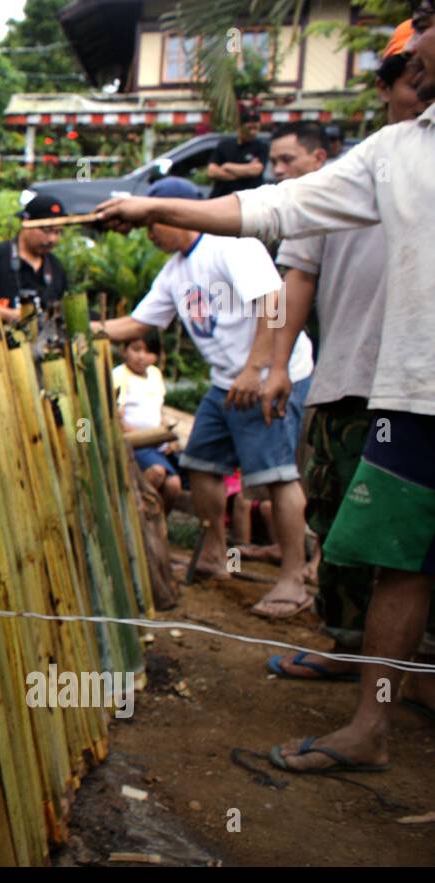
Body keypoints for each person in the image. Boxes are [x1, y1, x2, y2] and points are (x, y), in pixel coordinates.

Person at [94, 3, 435, 773]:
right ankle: (371, 711)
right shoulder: (391, 155)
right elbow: (276, 224)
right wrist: (155, 202)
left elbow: (272, 282)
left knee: (290, 484)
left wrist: (266, 364)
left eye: (420, 40)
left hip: (305, 375)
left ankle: (296, 583)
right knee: (395, 555)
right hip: (400, 388)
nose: (408, 63)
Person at [263, 34, 435, 682]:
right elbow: (294, 282)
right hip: (348, 377)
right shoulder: (343, 179)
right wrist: (278, 365)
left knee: (410, 538)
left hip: (420, 383)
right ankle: (348, 650)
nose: (412, 76)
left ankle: (408, 674)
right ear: (384, 87)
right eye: (398, 70)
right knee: (339, 518)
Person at [92, 176, 314, 619]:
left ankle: (294, 578)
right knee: (202, 466)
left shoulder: (231, 243)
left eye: (154, 220)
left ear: (176, 212)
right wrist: (82, 330)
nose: (150, 231)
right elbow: (138, 324)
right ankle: (214, 553)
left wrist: (257, 370)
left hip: (270, 372)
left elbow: (273, 301)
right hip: (225, 380)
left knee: (277, 476)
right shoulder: (175, 270)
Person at [0, 193, 67, 324]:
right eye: (46, 230)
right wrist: (7, 314)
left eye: (58, 232)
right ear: (26, 222)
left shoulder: (56, 268)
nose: (52, 239)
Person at [113, 329, 182, 511]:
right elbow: (116, 420)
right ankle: (135, 514)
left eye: (148, 351)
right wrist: (150, 437)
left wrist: (166, 436)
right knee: (157, 472)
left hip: (156, 445)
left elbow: (160, 413)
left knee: (174, 484)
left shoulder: (155, 374)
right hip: (134, 444)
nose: (141, 356)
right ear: (124, 350)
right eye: (136, 349)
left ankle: (158, 525)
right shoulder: (119, 375)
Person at [206, 109, 269, 198]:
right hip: (222, 197)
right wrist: (245, 172)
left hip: (249, 200)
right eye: (249, 128)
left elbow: (256, 170)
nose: (253, 132)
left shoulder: (261, 146)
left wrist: (228, 166)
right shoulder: (224, 146)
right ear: (240, 126)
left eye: (256, 128)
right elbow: (211, 171)